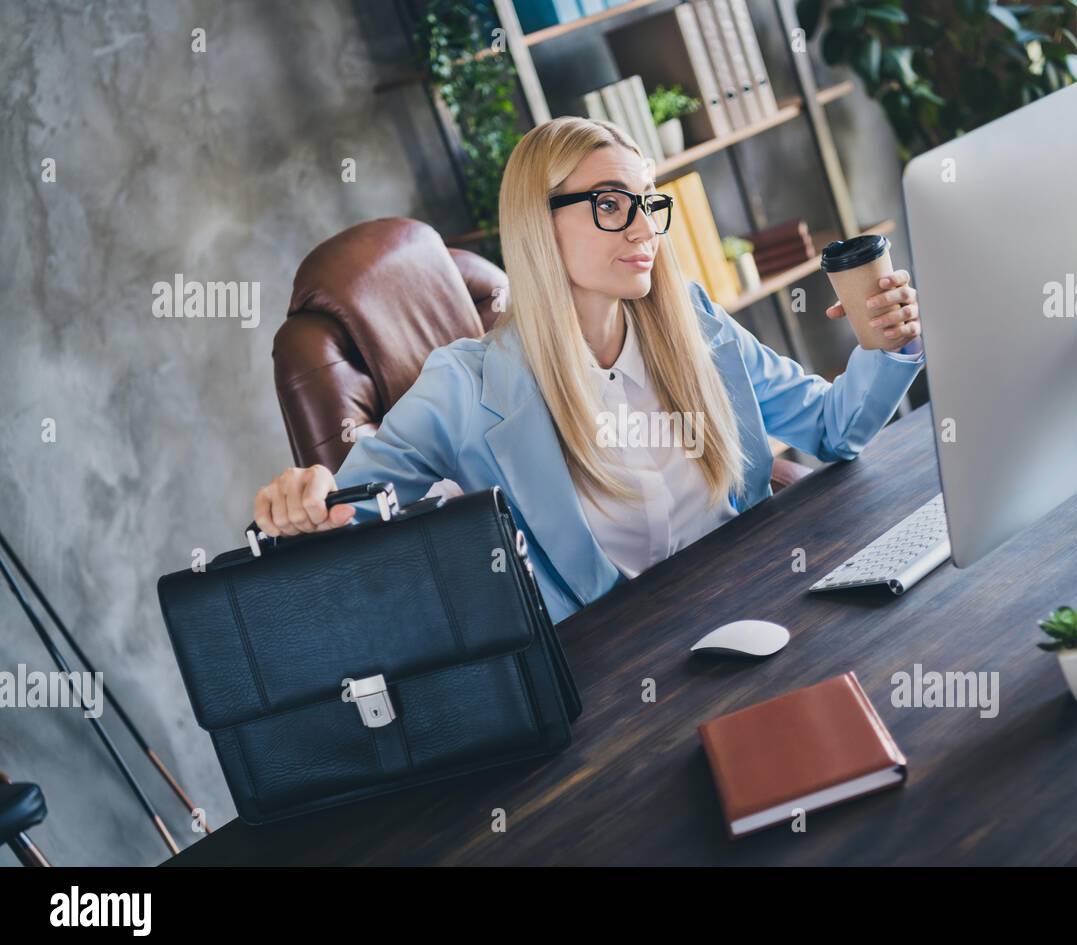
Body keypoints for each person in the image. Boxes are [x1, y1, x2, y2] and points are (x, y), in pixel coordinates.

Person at [252, 116, 924, 623]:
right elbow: (353, 512)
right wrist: (307, 502)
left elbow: (834, 430)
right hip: (618, 674)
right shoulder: (465, 387)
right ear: (538, 226)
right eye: (609, 204)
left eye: (648, 202)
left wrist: (888, 344)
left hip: (765, 604)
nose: (644, 230)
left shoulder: (693, 321)